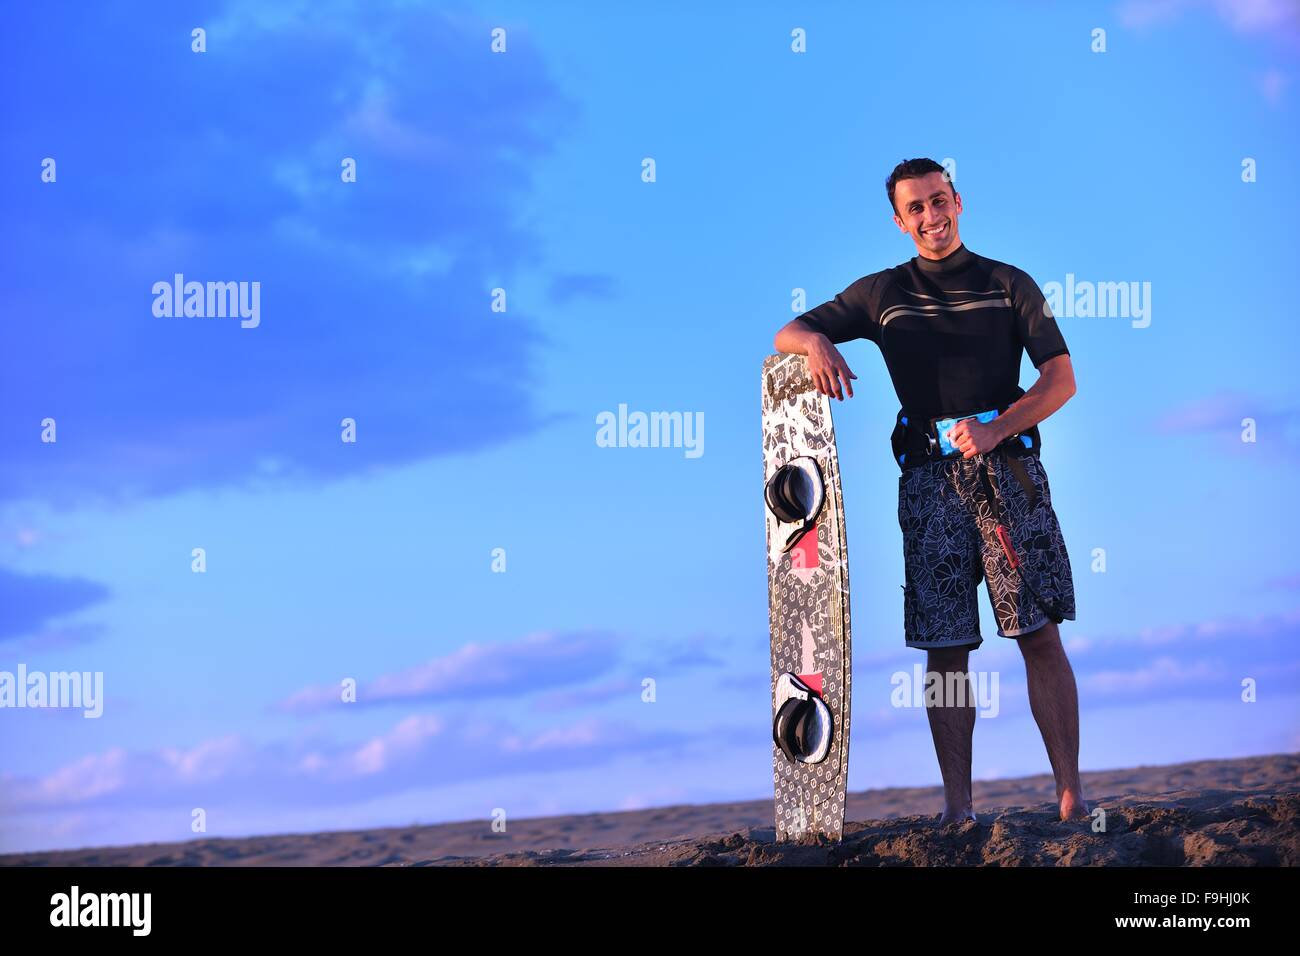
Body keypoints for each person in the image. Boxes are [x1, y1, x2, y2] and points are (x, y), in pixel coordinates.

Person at [772, 158, 1089, 825]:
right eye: (915, 208)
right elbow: (788, 330)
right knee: (945, 648)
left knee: (1037, 633)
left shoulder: (1008, 283)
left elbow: (1060, 380)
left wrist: (999, 426)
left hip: (1010, 480)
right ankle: (958, 808)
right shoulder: (883, 293)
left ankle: (1068, 793)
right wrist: (816, 346)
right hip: (926, 485)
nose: (930, 217)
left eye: (939, 201)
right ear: (899, 220)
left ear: (958, 203)